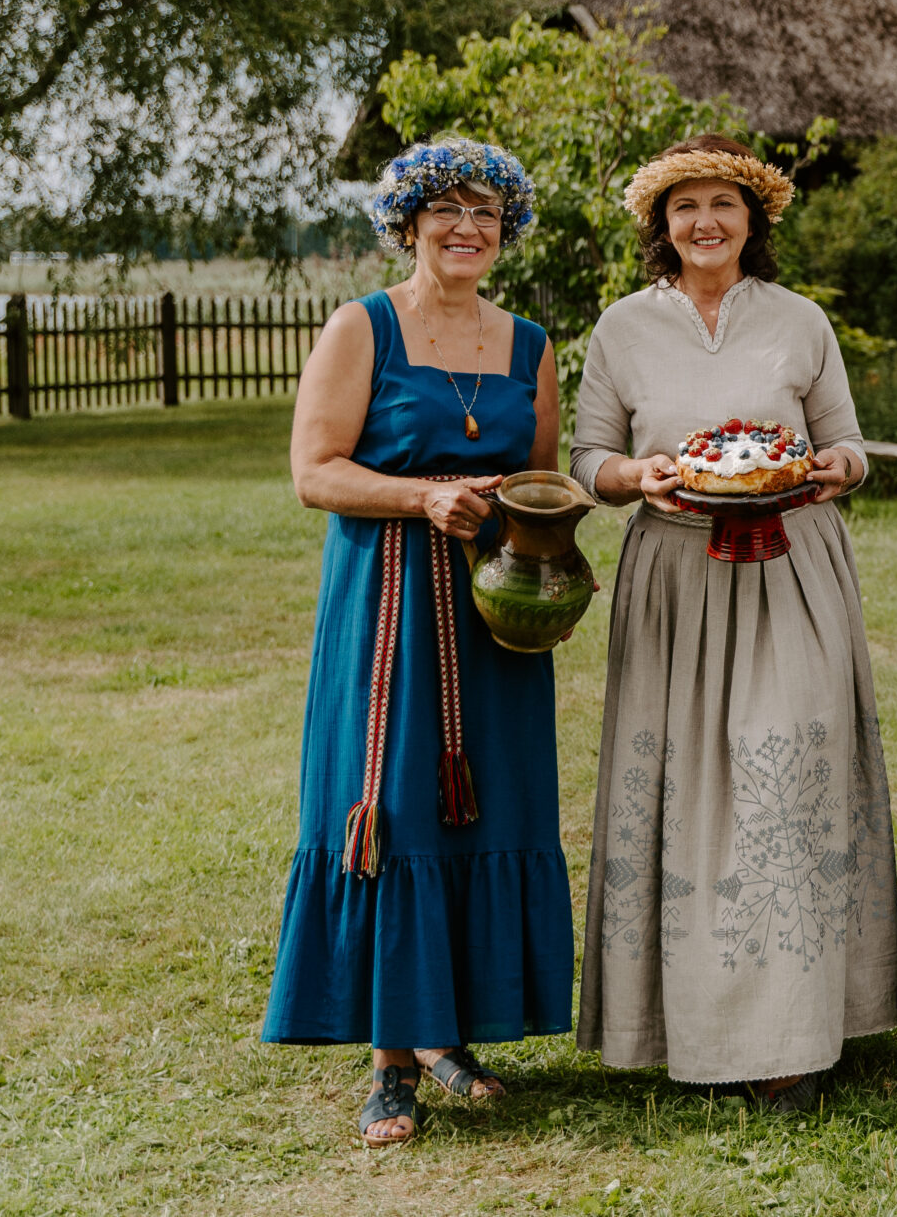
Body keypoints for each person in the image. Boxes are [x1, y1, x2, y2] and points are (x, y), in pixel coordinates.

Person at [567, 133, 894, 1110]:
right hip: (675, 572)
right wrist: (637, 474)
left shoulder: (799, 321)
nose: (704, 221)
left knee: (782, 771)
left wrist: (840, 466)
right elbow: (589, 456)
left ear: (755, 219)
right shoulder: (622, 327)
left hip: (792, 563)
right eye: (684, 206)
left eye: (724, 203)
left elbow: (844, 444)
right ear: (660, 227)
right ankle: (677, 1022)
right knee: (684, 788)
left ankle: (790, 1036)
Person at [268, 137, 571, 1147]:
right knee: (395, 802)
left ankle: (454, 1033)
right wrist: (421, 494)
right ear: (406, 223)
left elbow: (539, 480)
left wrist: (550, 532)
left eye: (486, 212)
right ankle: (391, 1058)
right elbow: (315, 471)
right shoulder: (366, 326)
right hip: (389, 602)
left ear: (506, 230)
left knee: (487, 800)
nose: (465, 228)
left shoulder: (531, 344)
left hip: (494, 608)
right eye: (444, 210)